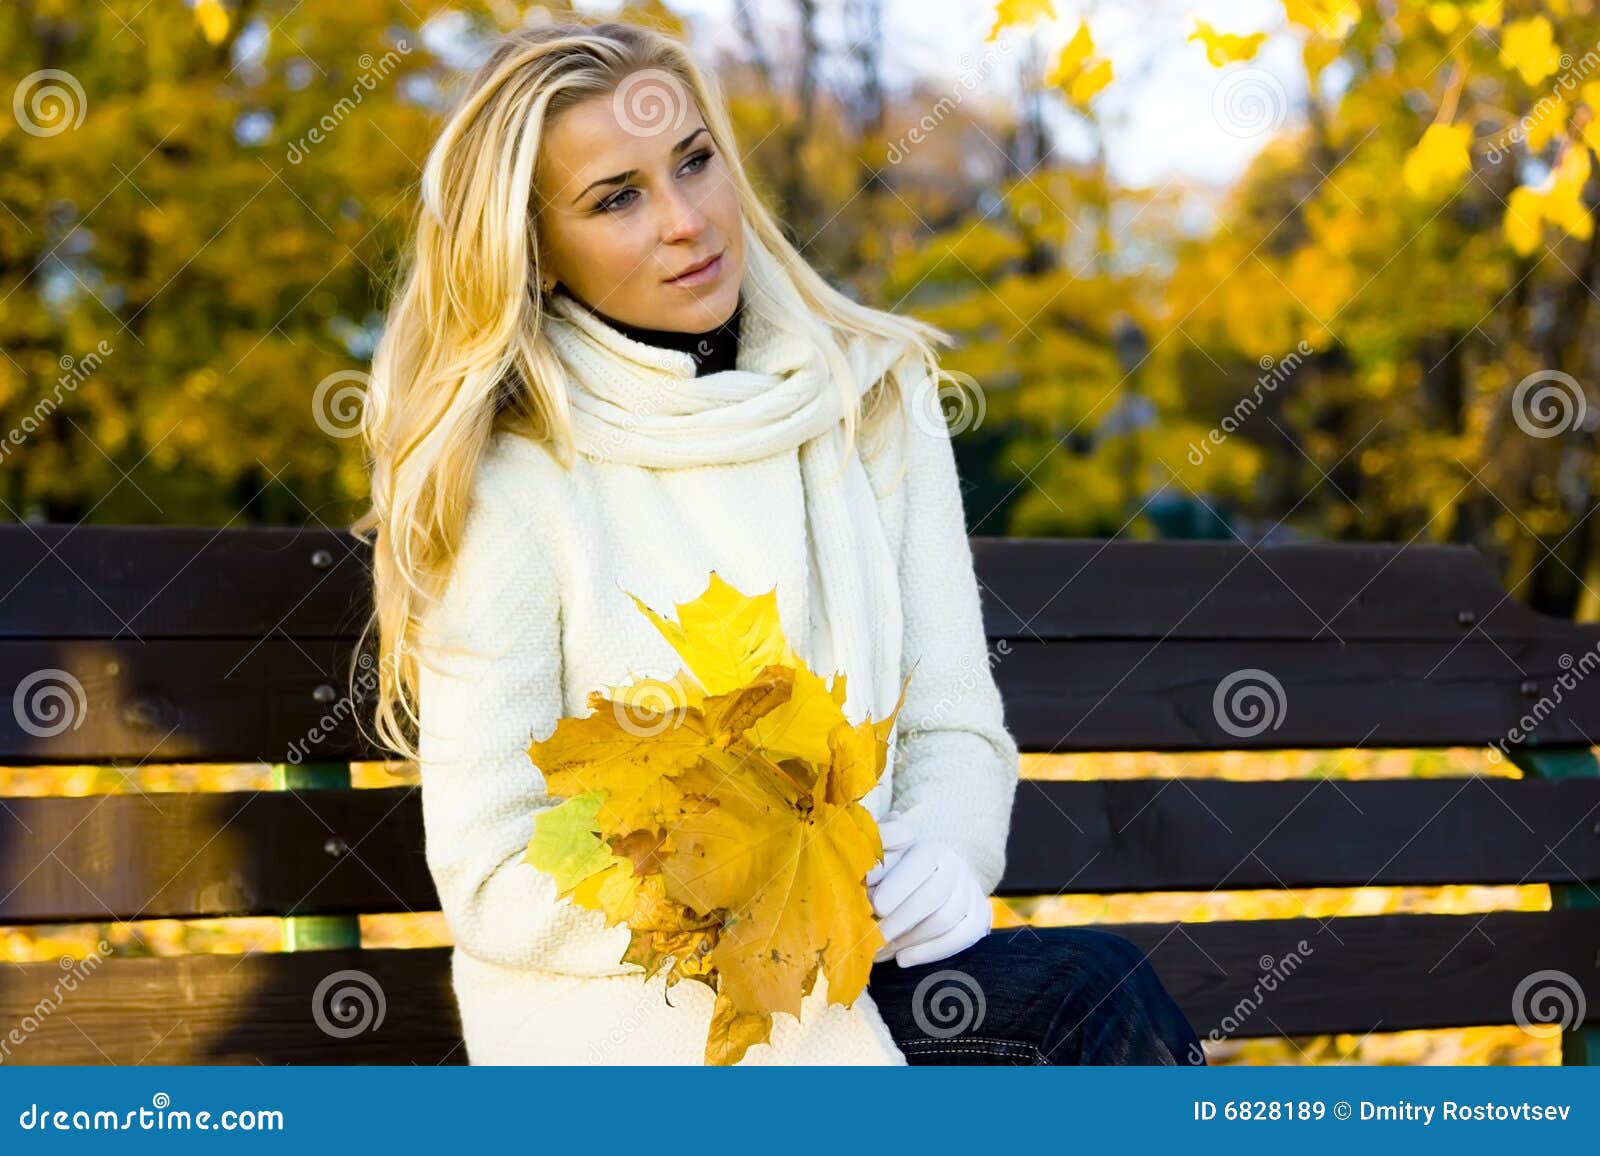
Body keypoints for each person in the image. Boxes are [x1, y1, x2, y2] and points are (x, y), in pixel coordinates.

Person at [351, 16, 1204, 1067]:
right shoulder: (511, 473)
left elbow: (952, 726)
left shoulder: (873, 397)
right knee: (1085, 1004)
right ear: (537, 256)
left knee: (1087, 996)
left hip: (870, 964)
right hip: (636, 1020)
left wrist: (944, 853)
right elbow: (489, 873)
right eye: (616, 198)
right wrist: (740, 885)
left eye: (694, 161)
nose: (686, 220)